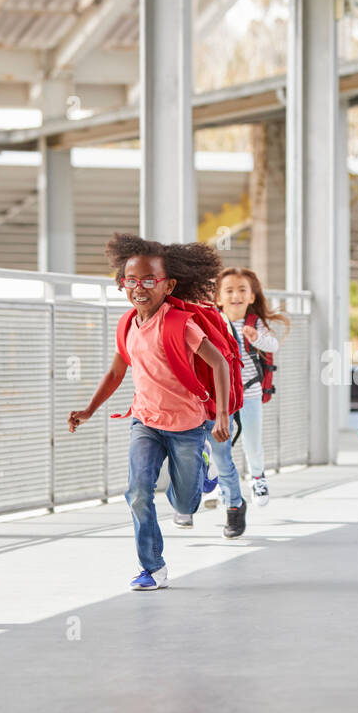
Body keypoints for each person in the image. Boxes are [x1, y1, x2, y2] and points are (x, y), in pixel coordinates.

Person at [68, 234, 232, 589]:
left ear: (168, 284)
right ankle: (152, 567)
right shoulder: (127, 324)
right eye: (131, 280)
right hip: (144, 422)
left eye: (148, 280)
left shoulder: (179, 324)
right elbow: (116, 372)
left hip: (187, 426)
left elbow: (219, 363)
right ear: (121, 283)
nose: (138, 287)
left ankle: (202, 469)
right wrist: (89, 409)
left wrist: (219, 417)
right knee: (138, 492)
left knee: (185, 504)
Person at [209, 267, 287, 509]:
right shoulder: (212, 323)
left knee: (252, 441)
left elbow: (272, 345)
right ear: (218, 298)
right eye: (229, 291)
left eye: (242, 290)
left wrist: (256, 338)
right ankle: (224, 485)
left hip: (250, 393)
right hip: (221, 397)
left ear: (252, 296)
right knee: (220, 444)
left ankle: (257, 478)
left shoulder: (255, 324)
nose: (236, 296)